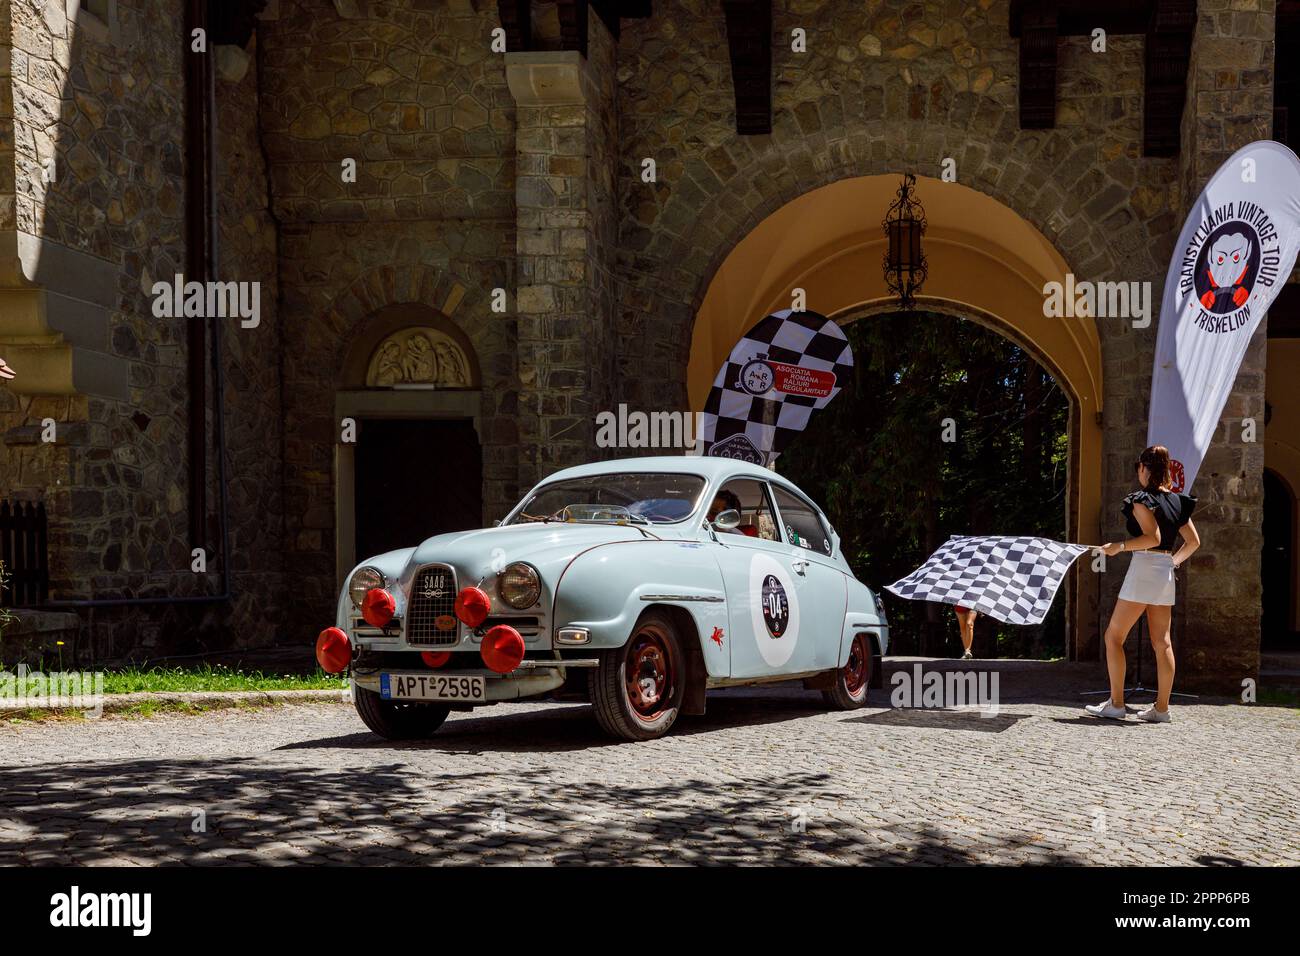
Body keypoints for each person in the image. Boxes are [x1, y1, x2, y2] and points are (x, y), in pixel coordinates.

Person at [1085, 445, 1199, 723]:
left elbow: (1153, 537)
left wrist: (1118, 546)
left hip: (1145, 568)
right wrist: (1174, 562)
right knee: (1163, 643)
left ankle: (1116, 704)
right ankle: (1161, 710)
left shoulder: (1141, 499)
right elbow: (1193, 542)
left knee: (1113, 637)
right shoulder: (1177, 501)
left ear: (1143, 468)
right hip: (1164, 573)